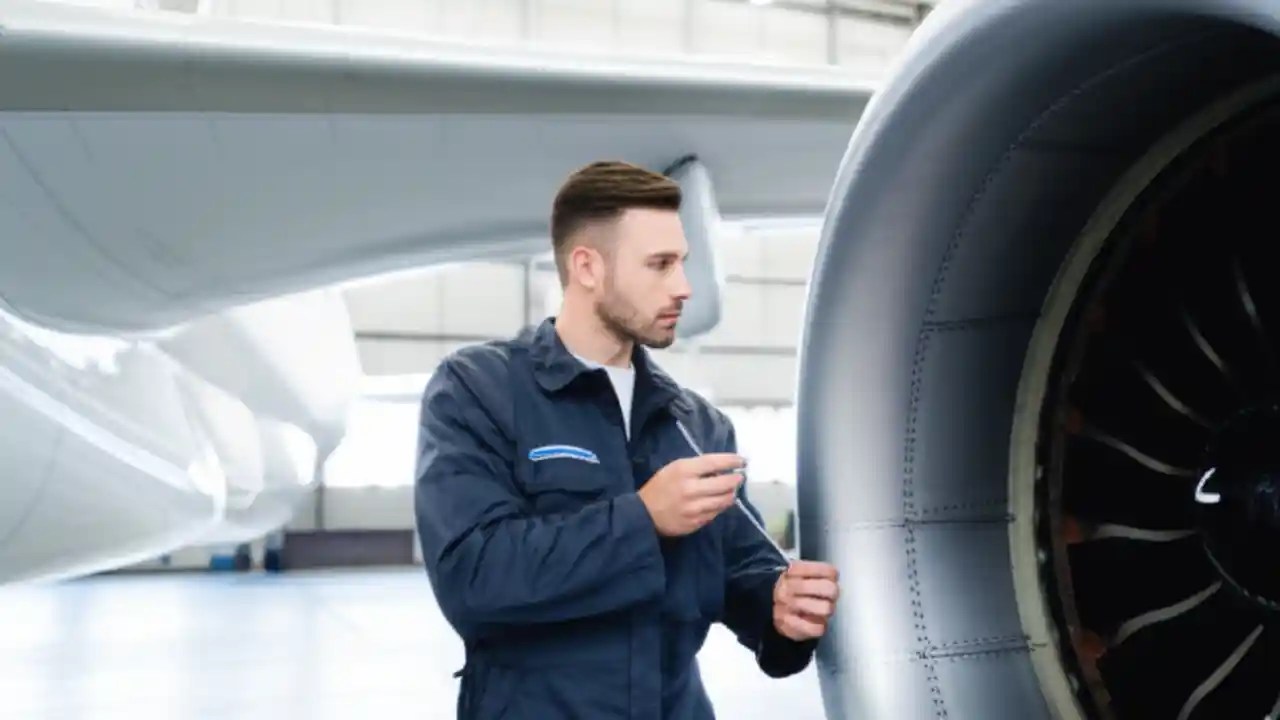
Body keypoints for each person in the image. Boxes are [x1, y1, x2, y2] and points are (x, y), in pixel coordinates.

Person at [414, 160, 840, 719]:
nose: (684, 287)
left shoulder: (696, 425)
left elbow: (743, 574)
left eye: (682, 262)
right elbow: (473, 577)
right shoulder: (479, 391)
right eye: (660, 265)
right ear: (587, 267)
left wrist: (781, 611)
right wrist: (643, 518)